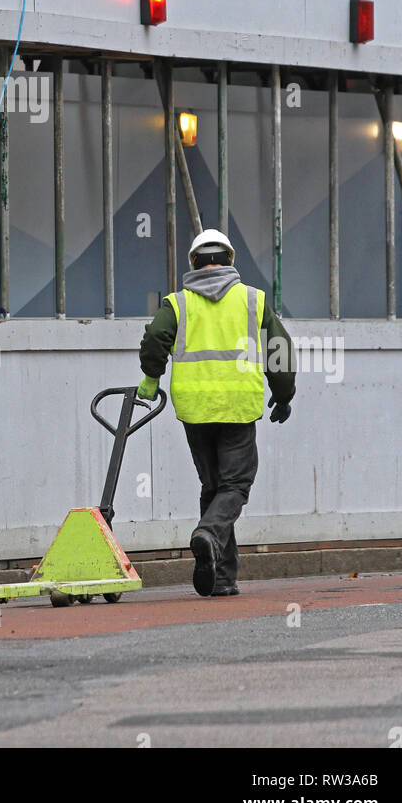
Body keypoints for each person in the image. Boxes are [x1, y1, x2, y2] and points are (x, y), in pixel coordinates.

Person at [138, 229, 296, 598]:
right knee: (236, 485)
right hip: (238, 407)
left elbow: (154, 339)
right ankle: (207, 535)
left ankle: (223, 577)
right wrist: (283, 394)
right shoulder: (252, 300)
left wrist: (150, 376)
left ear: (193, 262)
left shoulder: (177, 303)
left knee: (214, 488)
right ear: (230, 259)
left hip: (194, 410)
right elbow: (280, 350)